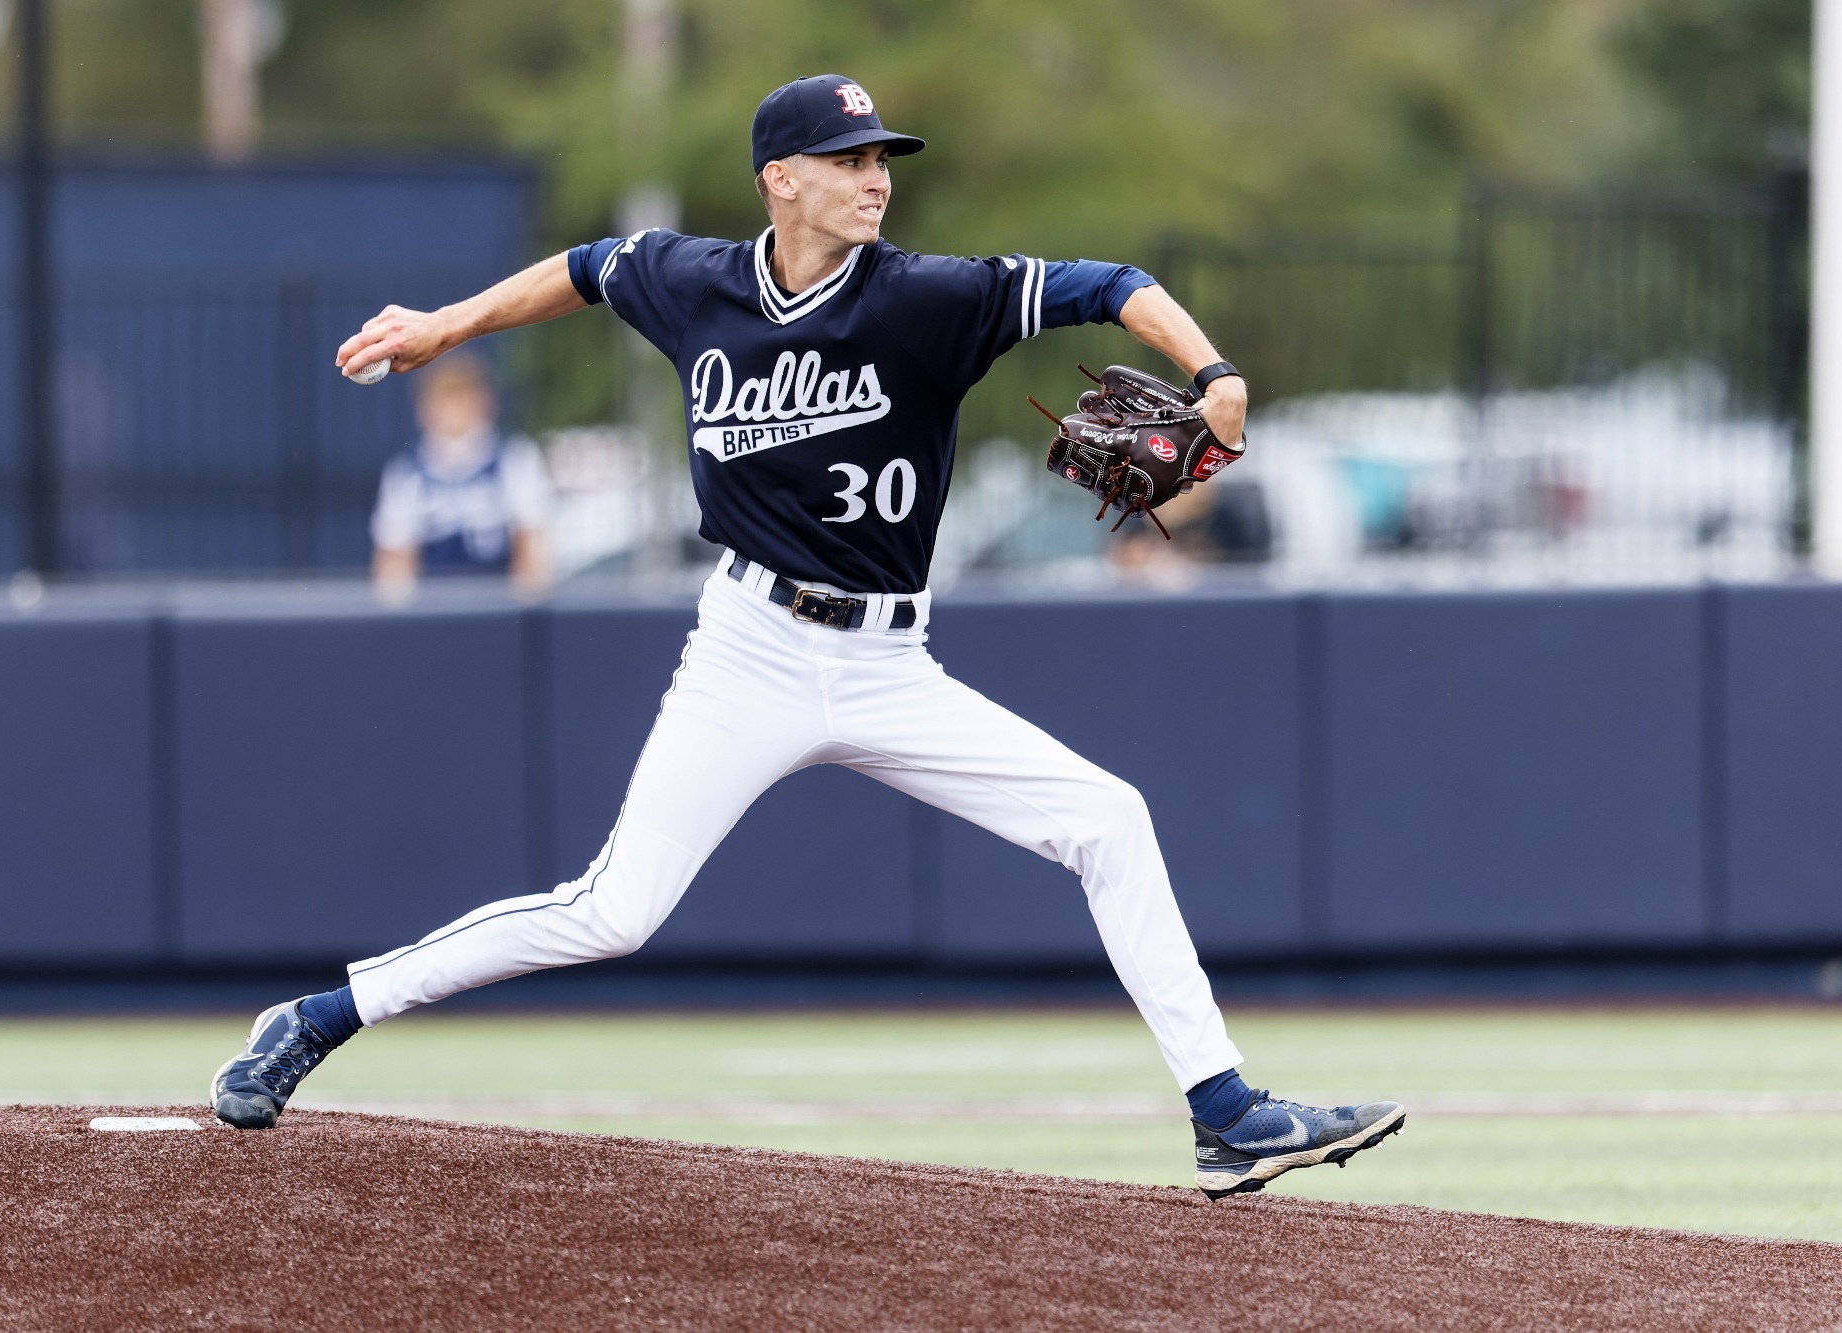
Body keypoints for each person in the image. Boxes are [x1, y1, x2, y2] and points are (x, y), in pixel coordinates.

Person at [212, 75, 1404, 1200]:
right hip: (750, 649)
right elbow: (584, 270)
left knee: (1109, 820)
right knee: (613, 911)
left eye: (881, 158)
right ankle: (318, 1016)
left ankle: (1224, 1114)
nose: (874, 178)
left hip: (888, 664)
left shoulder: (928, 298)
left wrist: (1211, 369)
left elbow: (1108, 283)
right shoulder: (688, 279)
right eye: (847, 160)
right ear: (779, 178)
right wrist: (448, 325)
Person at [368, 350, 554, 596]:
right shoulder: (407, 473)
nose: (454, 410)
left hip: (499, 605)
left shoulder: (514, 459)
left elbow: (533, 548)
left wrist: (524, 605)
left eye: (462, 397)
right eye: (445, 398)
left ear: (485, 402)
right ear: (425, 408)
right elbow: (394, 563)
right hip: (432, 609)